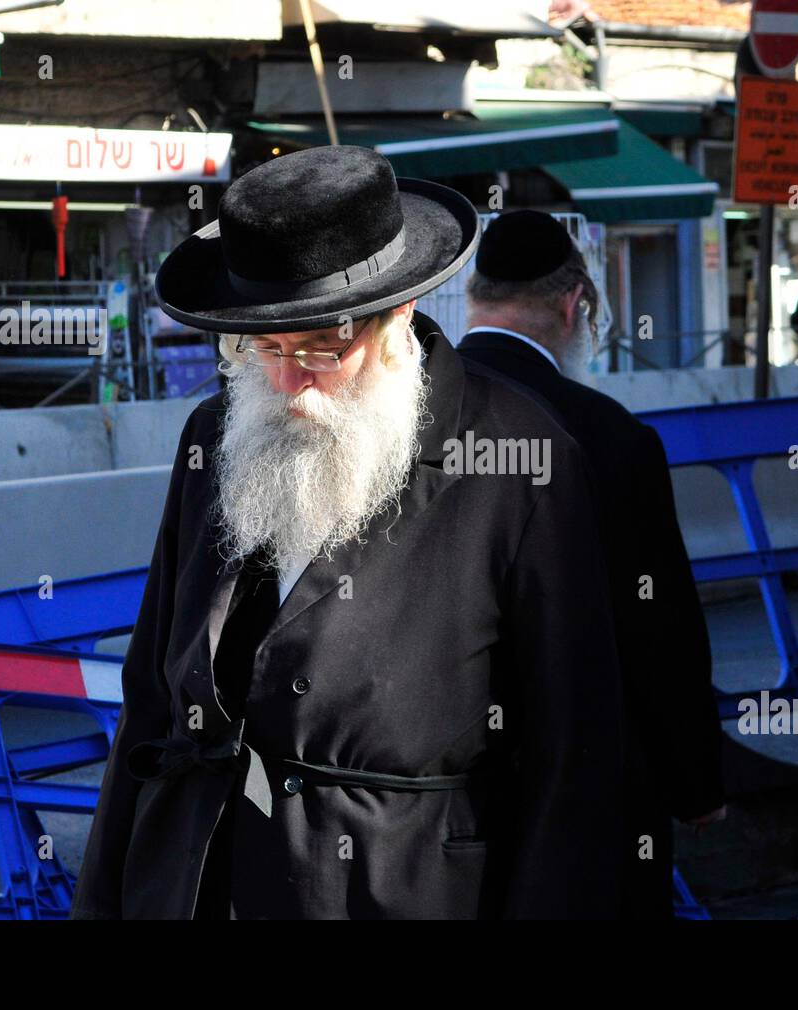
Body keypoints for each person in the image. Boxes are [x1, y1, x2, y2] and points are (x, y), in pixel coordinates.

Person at [69, 147, 626, 919]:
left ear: (397, 313)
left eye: (322, 349)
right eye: (264, 348)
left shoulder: (517, 457)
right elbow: (150, 700)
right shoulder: (214, 434)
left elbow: (574, 757)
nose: (289, 381)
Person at [458, 210, 726, 921]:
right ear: (574, 304)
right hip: (584, 795)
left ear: (475, 299)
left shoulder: (396, 421)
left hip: (427, 802)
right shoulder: (611, 436)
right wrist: (694, 781)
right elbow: (658, 629)